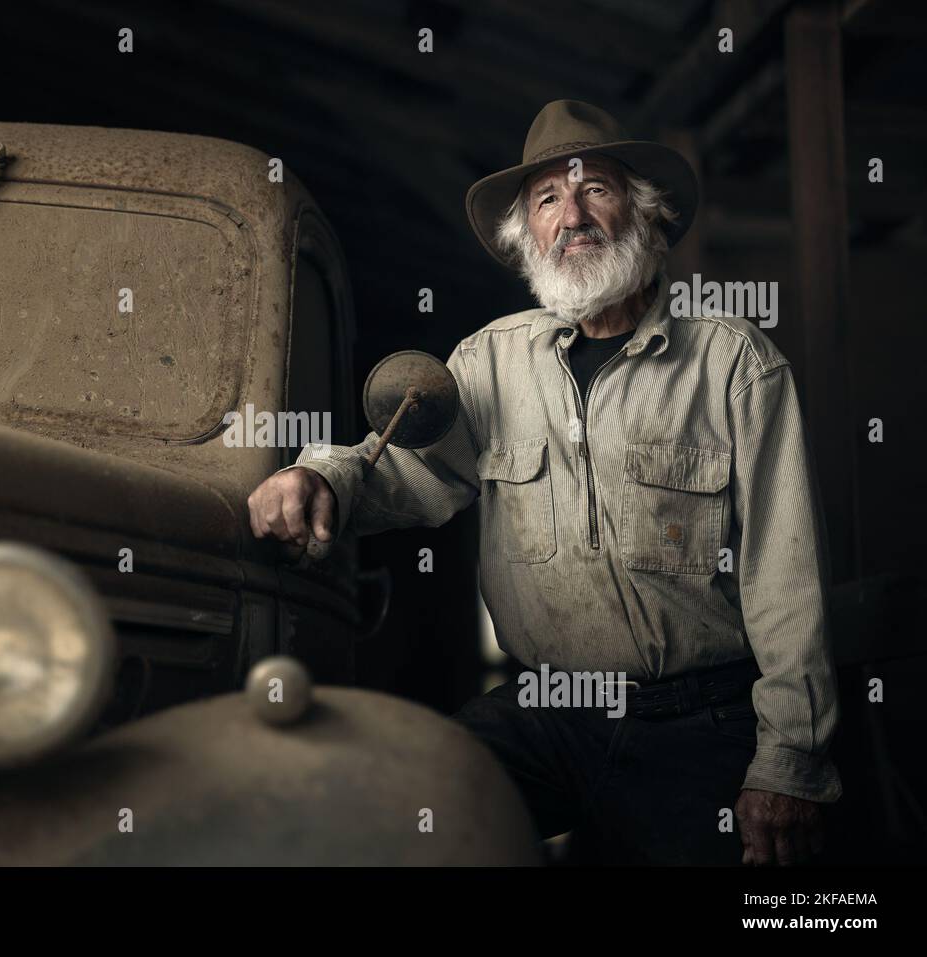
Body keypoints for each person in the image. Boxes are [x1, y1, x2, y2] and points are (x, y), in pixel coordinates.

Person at [246, 99, 840, 866]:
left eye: (595, 189)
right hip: (549, 709)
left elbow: (788, 578)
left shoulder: (733, 364)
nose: (572, 215)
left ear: (644, 212)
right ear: (527, 234)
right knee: (405, 812)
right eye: (548, 200)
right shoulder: (489, 362)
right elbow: (401, 467)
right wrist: (317, 478)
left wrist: (789, 760)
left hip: (701, 719)